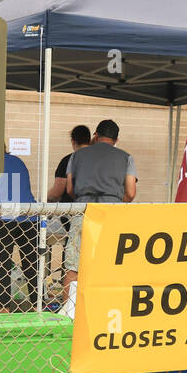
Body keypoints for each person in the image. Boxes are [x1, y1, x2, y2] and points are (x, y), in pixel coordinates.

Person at [63, 118, 136, 298]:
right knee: (110, 265)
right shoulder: (126, 157)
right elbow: (131, 192)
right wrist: (116, 199)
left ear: (95, 136)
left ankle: (68, 315)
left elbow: (70, 188)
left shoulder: (76, 156)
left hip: (84, 211)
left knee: (74, 268)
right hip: (111, 214)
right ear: (116, 140)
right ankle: (107, 309)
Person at [0, 146, 39, 309]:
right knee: (31, 263)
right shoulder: (19, 161)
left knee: (3, 263)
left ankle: (4, 306)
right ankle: (37, 304)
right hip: (29, 215)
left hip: (4, 216)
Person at [47, 125, 91, 202]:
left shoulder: (68, 160)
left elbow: (57, 192)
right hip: (95, 207)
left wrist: (46, 196)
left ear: (73, 141)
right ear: (89, 141)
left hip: (71, 209)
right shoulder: (98, 158)